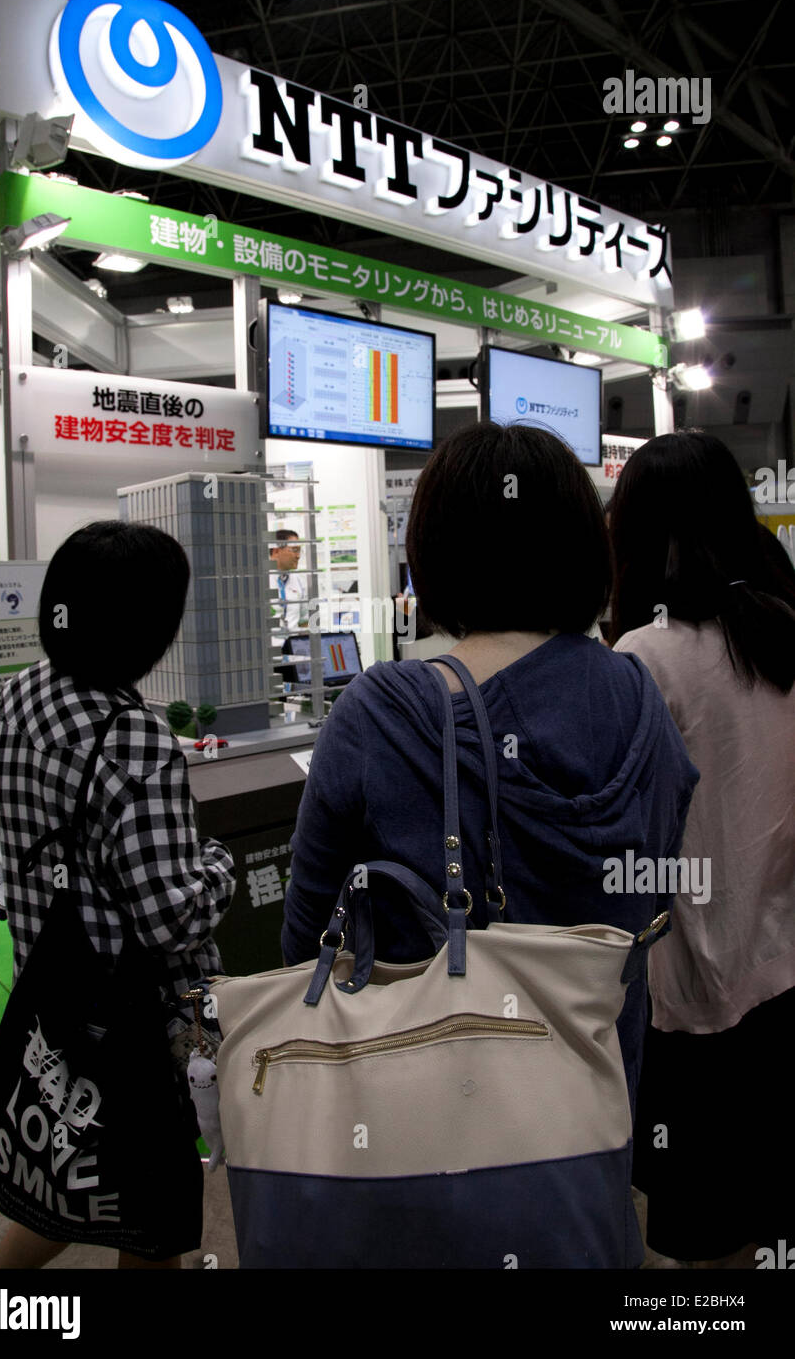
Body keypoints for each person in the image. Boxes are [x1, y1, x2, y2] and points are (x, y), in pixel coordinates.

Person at [282, 421, 699, 1124]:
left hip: (416, 1128)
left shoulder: (382, 711)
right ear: (583, 545)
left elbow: (305, 945)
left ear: (435, 551)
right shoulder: (638, 696)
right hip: (588, 1127)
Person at [0, 521, 235, 1269]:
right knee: (153, 1200)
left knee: (75, 1165)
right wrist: (219, 867)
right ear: (151, 630)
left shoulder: (26, 691)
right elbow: (169, 920)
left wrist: (29, 895)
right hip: (137, 1012)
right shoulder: (135, 738)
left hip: (49, 986)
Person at [608, 431, 795, 1266]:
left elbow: (629, 842)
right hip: (782, 973)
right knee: (758, 1211)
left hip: (693, 999)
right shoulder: (779, 631)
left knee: (704, 1242)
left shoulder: (647, 657)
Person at [269, 529, 306, 633]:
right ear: (276, 551)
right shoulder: (259, 581)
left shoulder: (299, 580)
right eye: (294, 550)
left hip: (294, 646)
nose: (298, 556)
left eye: (299, 550)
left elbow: (304, 621)